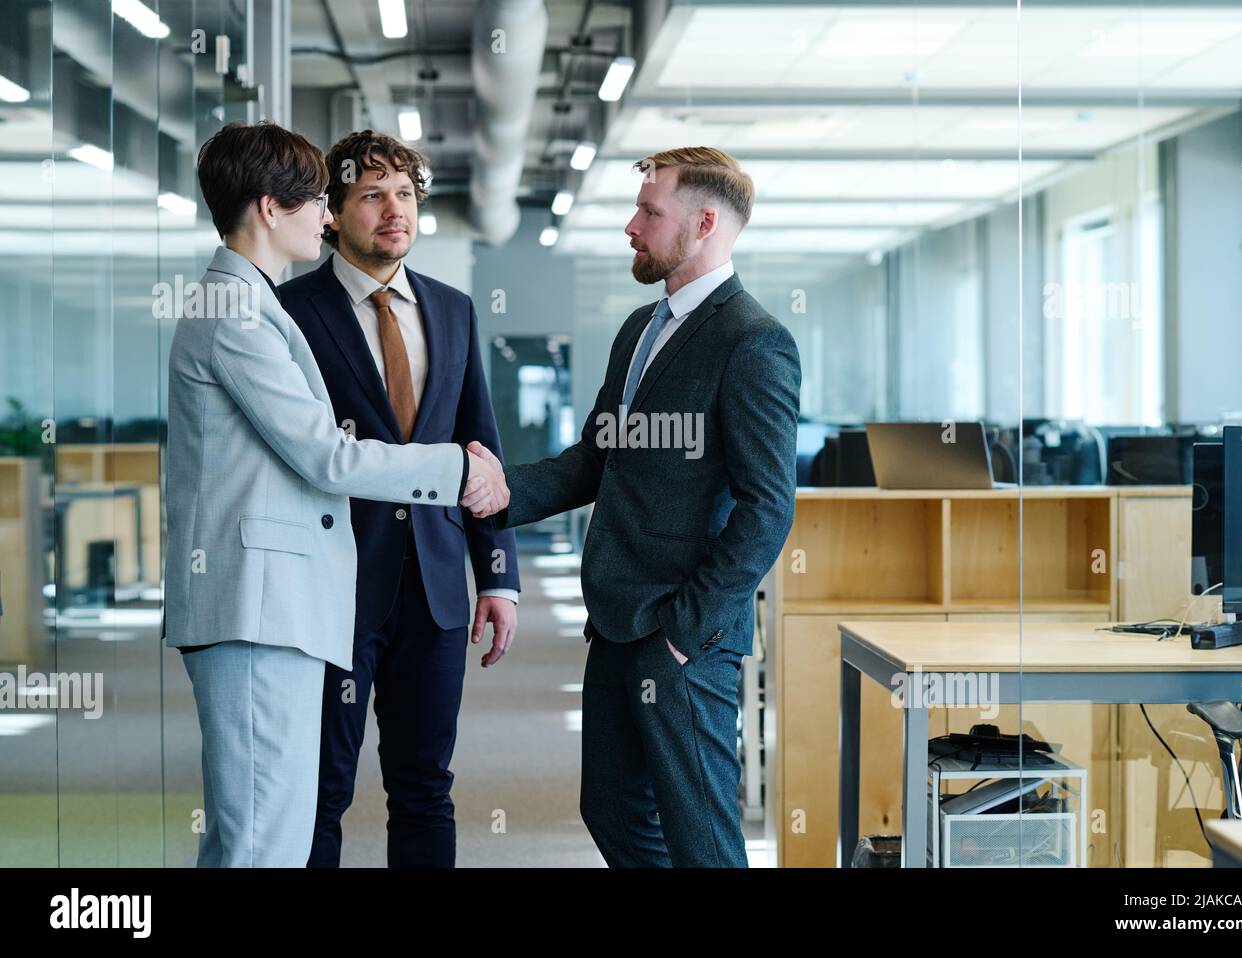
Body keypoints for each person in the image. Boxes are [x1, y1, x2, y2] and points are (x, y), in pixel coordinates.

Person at [164, 121, 508, 867]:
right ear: (268, 208)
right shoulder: (243, 311)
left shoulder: (251, 302)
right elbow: (327, 455)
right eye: (321, 201)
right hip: (264, 605)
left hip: (297, 603)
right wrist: (456, 470)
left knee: (262, 832)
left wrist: (495, 563)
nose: (323, 216)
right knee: (268, 835)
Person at [468, 146, 800, 867]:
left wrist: (685, 631)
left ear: (705, 221)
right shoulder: (638, 332)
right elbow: (595, 459)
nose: (631, 225)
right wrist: (500, 491)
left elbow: (768, 508)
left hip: (681, 638)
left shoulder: (753, 342)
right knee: (613, 811)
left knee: (702, 838)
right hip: (614, 621)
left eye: (650, 211)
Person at [279, 130, 519, 868]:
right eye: (372, 195)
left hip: (437, 588)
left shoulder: (452, 310)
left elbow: (481, 447)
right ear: (331, 213)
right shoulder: (290, 310)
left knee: (425, 786)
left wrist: (499, 576)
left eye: (406, 195)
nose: (395, 210)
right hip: (333, 586)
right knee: (321, 789)